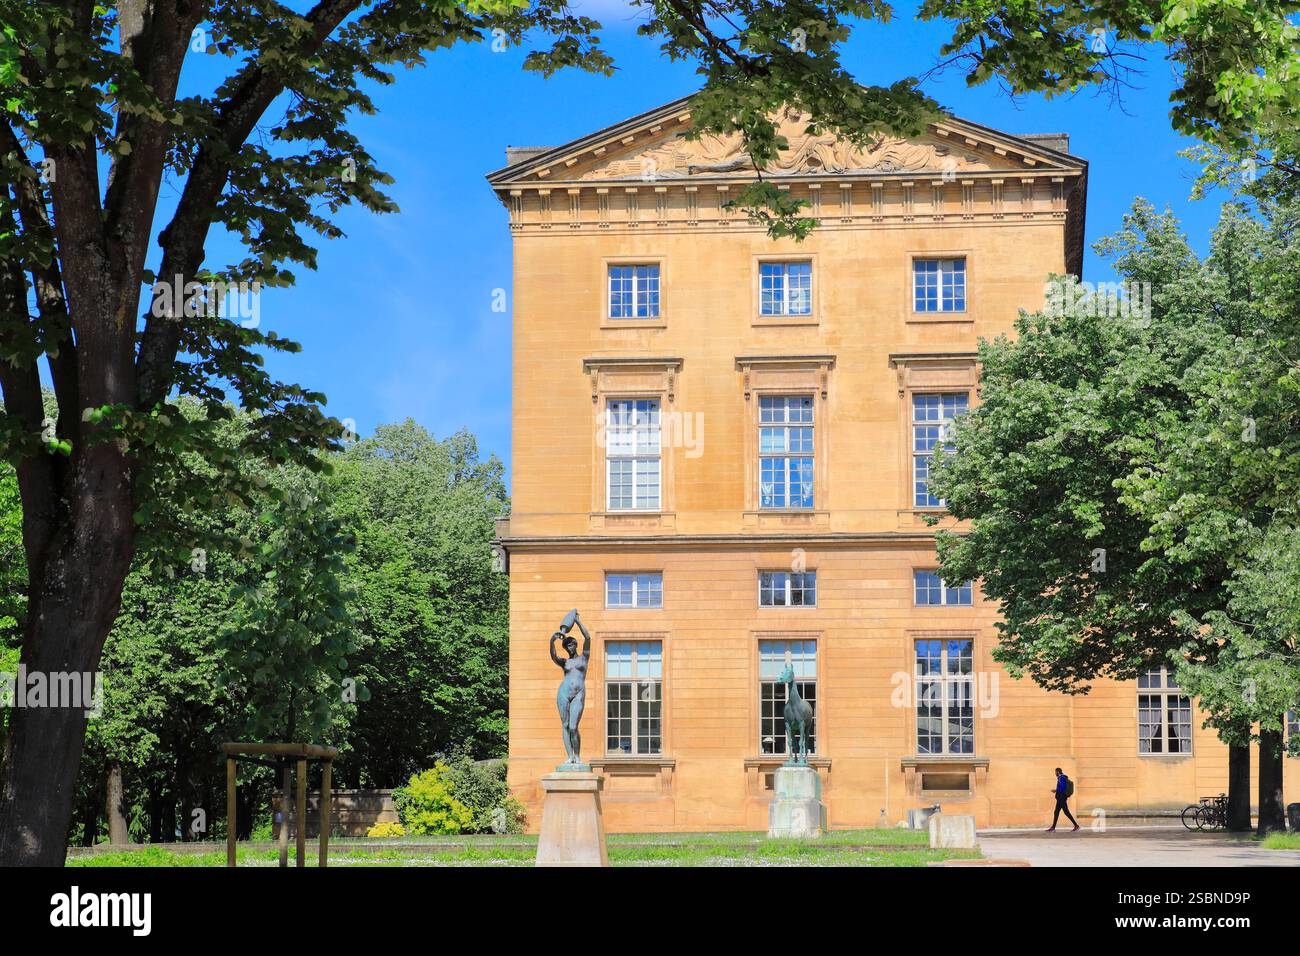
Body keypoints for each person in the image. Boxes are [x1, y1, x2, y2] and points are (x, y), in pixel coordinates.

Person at [549, 609, 591, 768]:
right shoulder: (565, 662)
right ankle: (569, 757)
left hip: (578, 694)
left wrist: (578, 621)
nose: (570, 647)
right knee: (565, 725)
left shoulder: (583, 658)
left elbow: (588, 637)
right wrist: (552, 641)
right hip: (563, 693)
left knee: (573, 726)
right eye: (567, 645)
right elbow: (553, 656)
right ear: (566, 648)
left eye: (572, 644)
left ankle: (578, 756)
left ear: (576, 645)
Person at [1047, 767, 1079, 832]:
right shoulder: (1062, 778)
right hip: (1060, 798)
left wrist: (1055, 790)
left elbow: (1062, 788)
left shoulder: (1061, 778)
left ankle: (1076, 826)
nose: (1055, 773)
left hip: (1061, 798)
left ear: (1058, 772)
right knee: (1056, 812)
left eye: (1055, 772)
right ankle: (1053, 827)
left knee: (1066, 812)